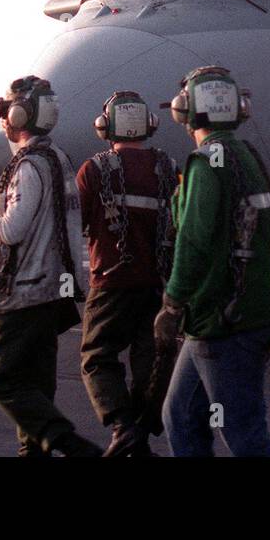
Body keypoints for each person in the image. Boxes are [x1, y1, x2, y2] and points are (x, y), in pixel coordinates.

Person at [0, 76, 102, 457]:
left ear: (20, 115)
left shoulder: (29, 165)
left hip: (26, 293)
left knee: (0, 381)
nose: (4, 118)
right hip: (54, 292)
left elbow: (13, 229)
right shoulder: (60, 159)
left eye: (7, 110)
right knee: (36, 386)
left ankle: (72, 445)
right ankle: (33, 452)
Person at [155, 66, 270, 455]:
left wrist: (172, 303)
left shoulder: (205, 163)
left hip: (224, 322)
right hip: (231, 317)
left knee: (242, 431)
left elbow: (193, 240)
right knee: (182, 417)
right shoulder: (247, 156)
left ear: (184, 110)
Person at [76, 91, 179, 456]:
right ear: (150, 125)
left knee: (97, 355)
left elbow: (81, 224)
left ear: (105, 127)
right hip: (157, 284)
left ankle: (123, 427)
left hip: (111, 283)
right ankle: (140, 437)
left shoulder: (93, 169)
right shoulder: (168, 167)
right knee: (148, 360)